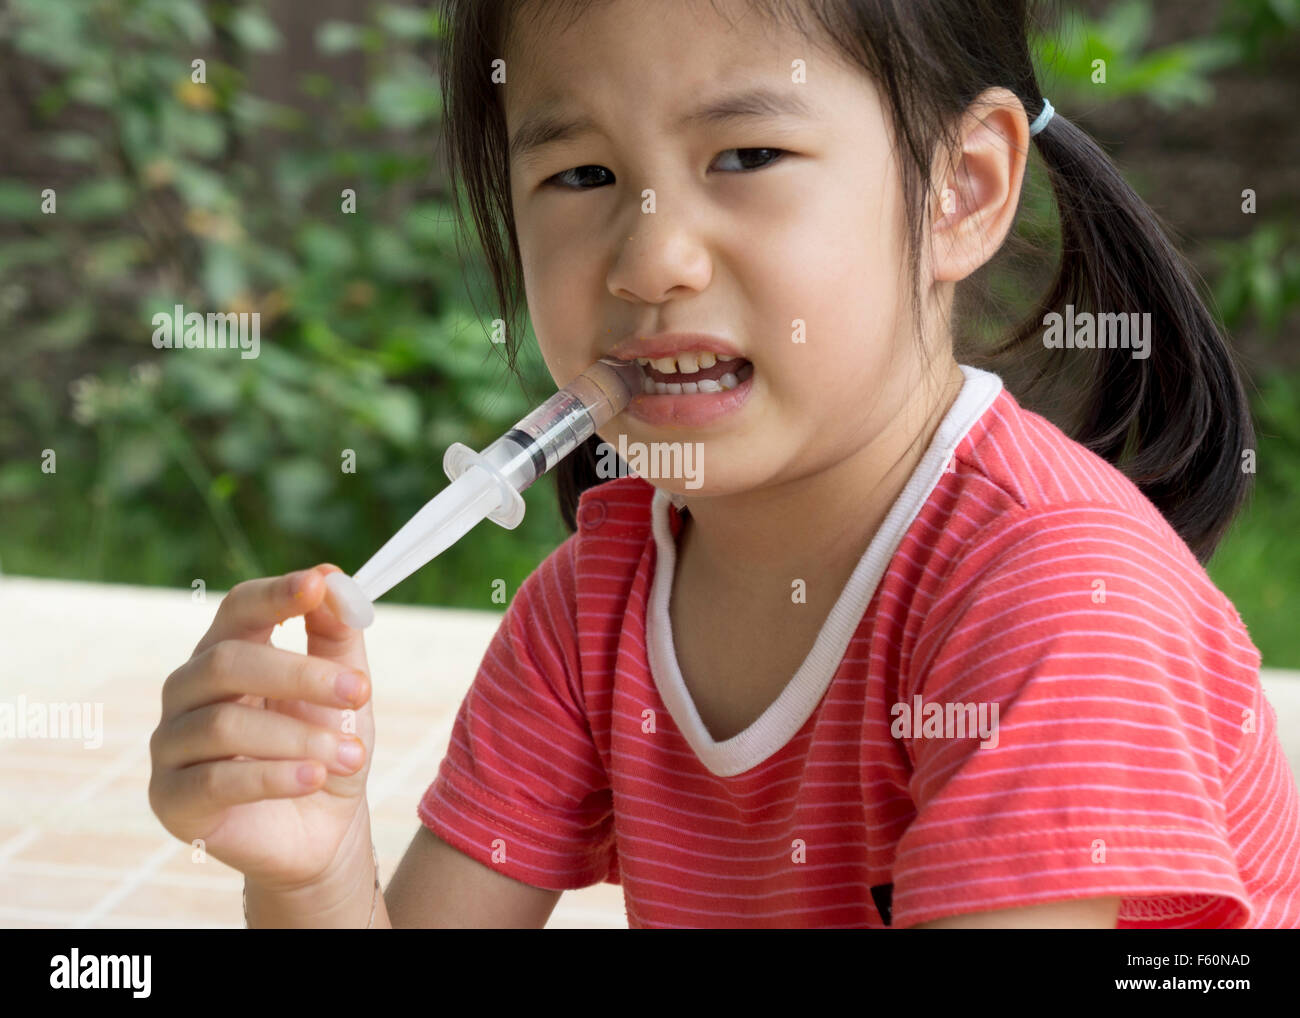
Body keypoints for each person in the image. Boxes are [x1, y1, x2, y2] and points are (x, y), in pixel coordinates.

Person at [148, 0, 1300, 928]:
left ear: (963, 188)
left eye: (747, 154)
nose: (649, 259)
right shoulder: (592, 616)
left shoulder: (1052, 594)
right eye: (581, 176)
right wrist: (308, 871)